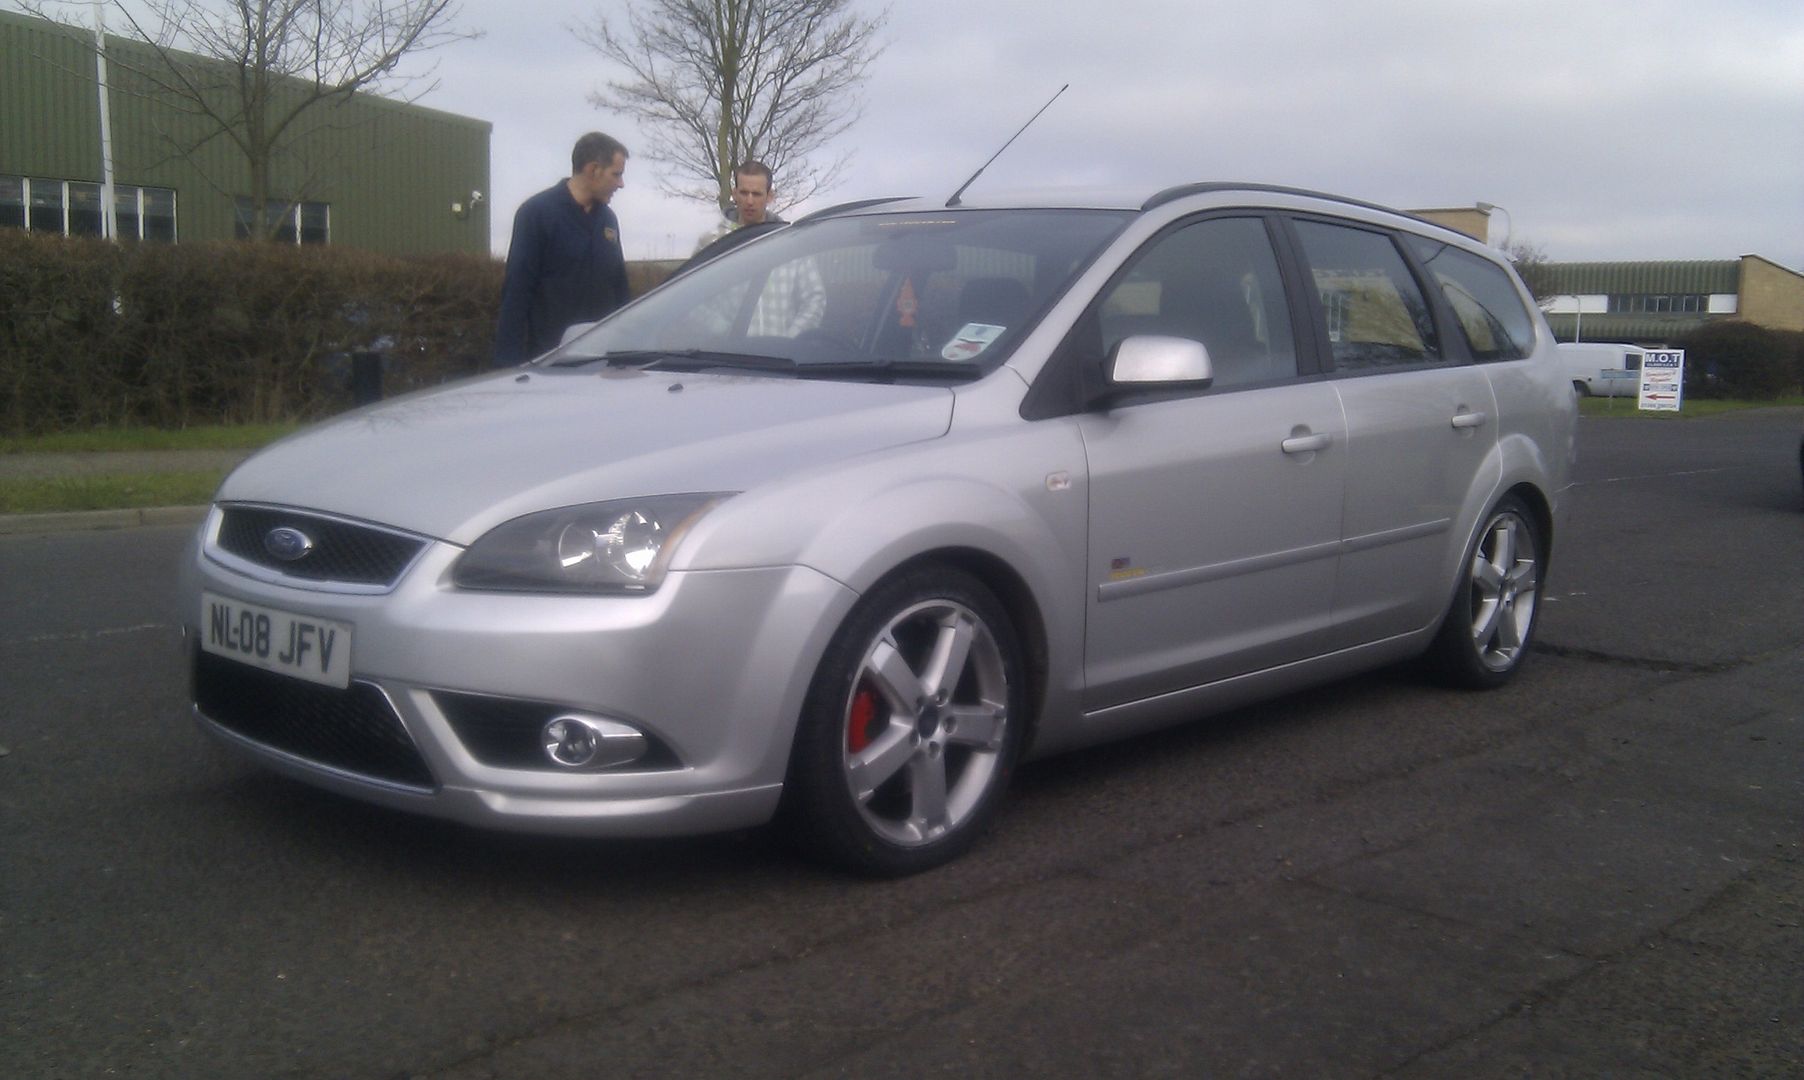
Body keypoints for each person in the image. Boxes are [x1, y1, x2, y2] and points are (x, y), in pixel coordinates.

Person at [493, 132, 631, 366]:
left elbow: (619, 290)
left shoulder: (608, 220)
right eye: (616, 174)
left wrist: (629, 351)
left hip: (603, 362)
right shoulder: (536, 214)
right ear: (593, 169)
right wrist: (507, 366)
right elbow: (517, 292)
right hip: (550, 363)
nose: (621, 184)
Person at [683, 159, 824, 335]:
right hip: (727, 354)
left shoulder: (792, 244)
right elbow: (690, 299)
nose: (749, 201)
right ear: (734, 194)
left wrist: (791, 337)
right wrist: (724, 331)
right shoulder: (712, 243)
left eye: (756, 194)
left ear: (770, 196)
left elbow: (814, 298)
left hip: (781, 356)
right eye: (744, 193)